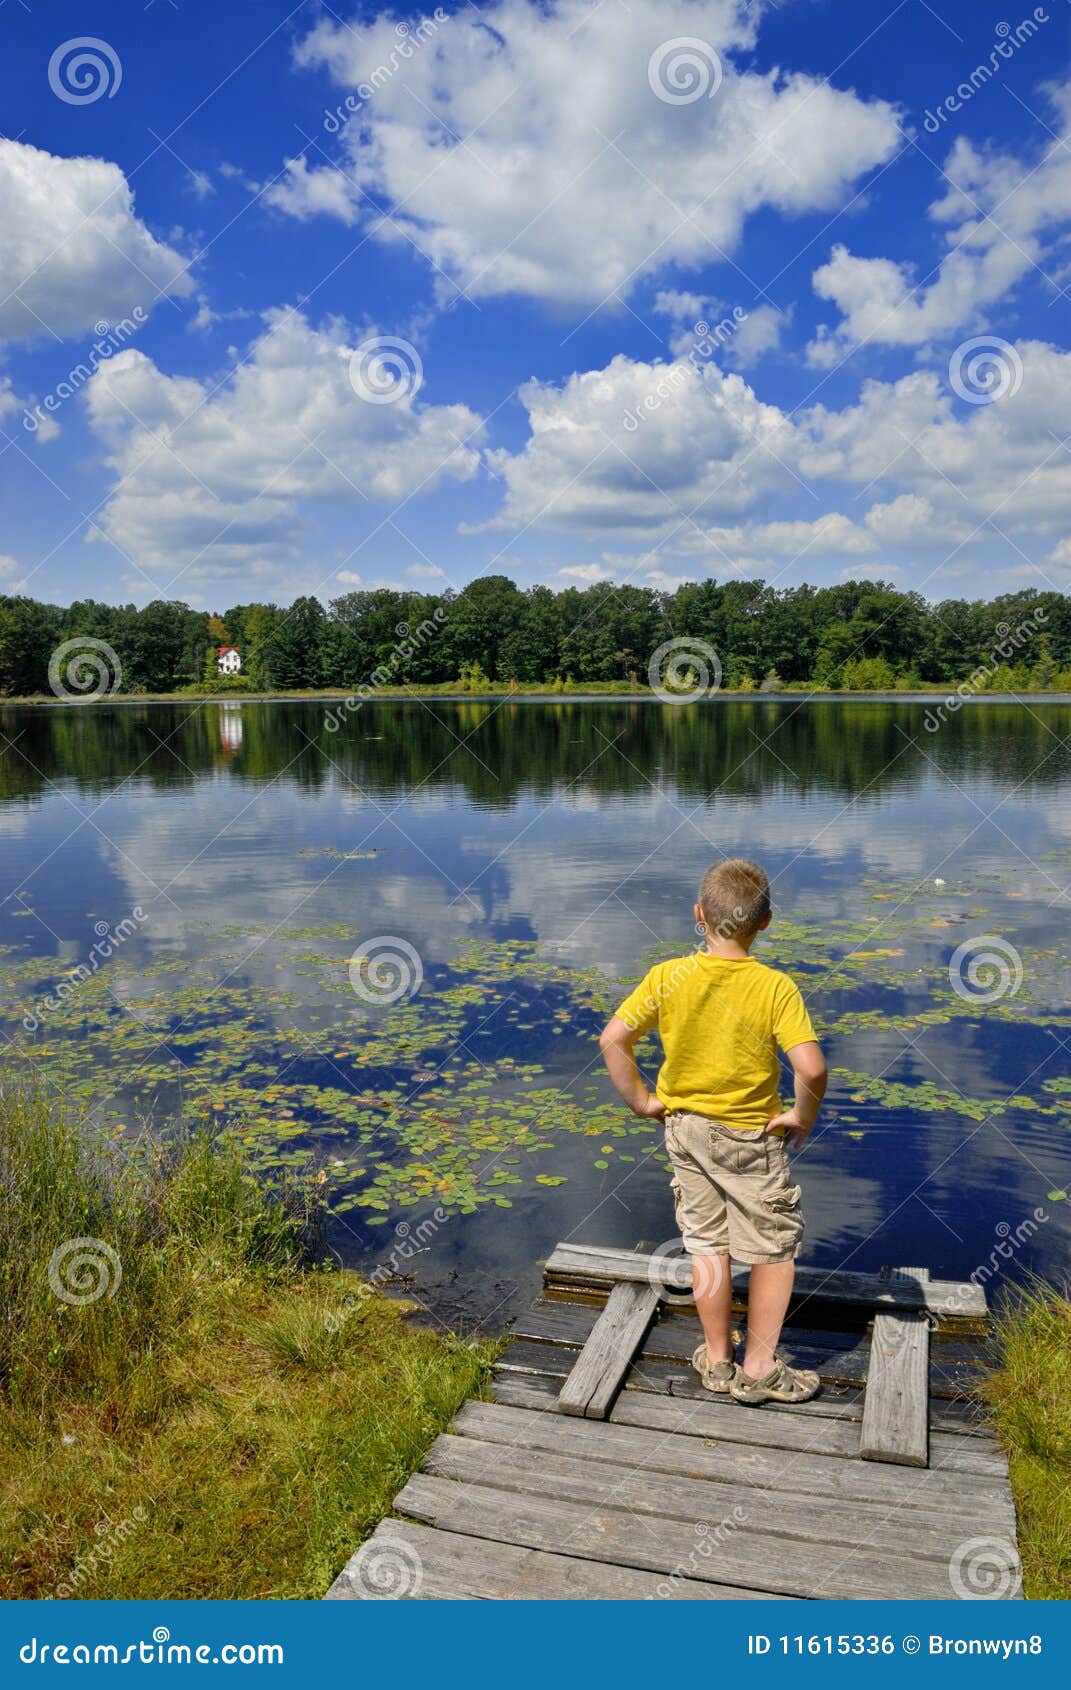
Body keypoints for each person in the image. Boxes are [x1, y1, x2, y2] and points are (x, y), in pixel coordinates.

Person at [599, 858, 828, 1405]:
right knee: (772, 1248)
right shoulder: (775, 987)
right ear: (766, 922)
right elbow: (812, 1068)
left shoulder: (667, 976)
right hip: (749, 1137)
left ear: (699, 915)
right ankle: (759, 1367)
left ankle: (718, 1360)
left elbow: (613, 1040)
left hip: (684, 1132)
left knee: (705, 1242)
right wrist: (802, 1115)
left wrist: (643, 1102)